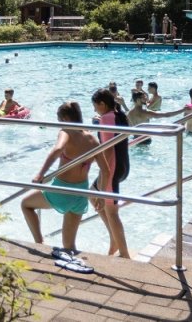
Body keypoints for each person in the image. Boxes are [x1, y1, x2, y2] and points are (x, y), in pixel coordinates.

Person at [20, 102, 99, 262]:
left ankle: (40, 243)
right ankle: (74, 264)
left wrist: (40, 174)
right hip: (81, 193)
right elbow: (106, 167)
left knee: (25, 204)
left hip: (62, 190)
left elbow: (57, 149)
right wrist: (101, 194)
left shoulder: (66, 131)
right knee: (69, 246)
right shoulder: (91, 137)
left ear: (65, 118)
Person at [90, 90, 130, 258]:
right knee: (92, 193)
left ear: (102, 104)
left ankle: (124, 254)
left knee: (111, 212)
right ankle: (114, 240)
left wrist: (104, 176)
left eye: (95, 106)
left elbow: (106, 152)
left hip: (111, 169)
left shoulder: (106, 119)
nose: (95, 110)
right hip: (123, 166)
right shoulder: (119, 115)